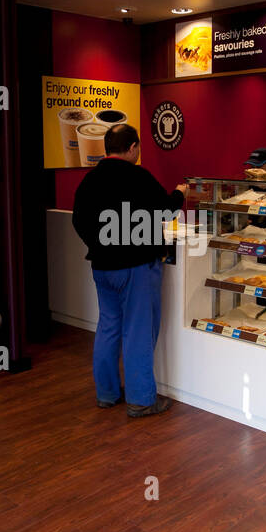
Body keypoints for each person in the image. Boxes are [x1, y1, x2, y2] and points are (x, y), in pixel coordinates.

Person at [71, 124, 186, 417]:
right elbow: (166, 210)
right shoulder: (139, 176)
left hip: (102, 267)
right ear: (133, 147)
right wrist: (179, 194)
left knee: (108, 327)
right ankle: (141, 400)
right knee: (138, 331)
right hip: (136, 267)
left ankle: (107, 394)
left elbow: (79, 221)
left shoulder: (90, 179)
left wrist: (100, 244)